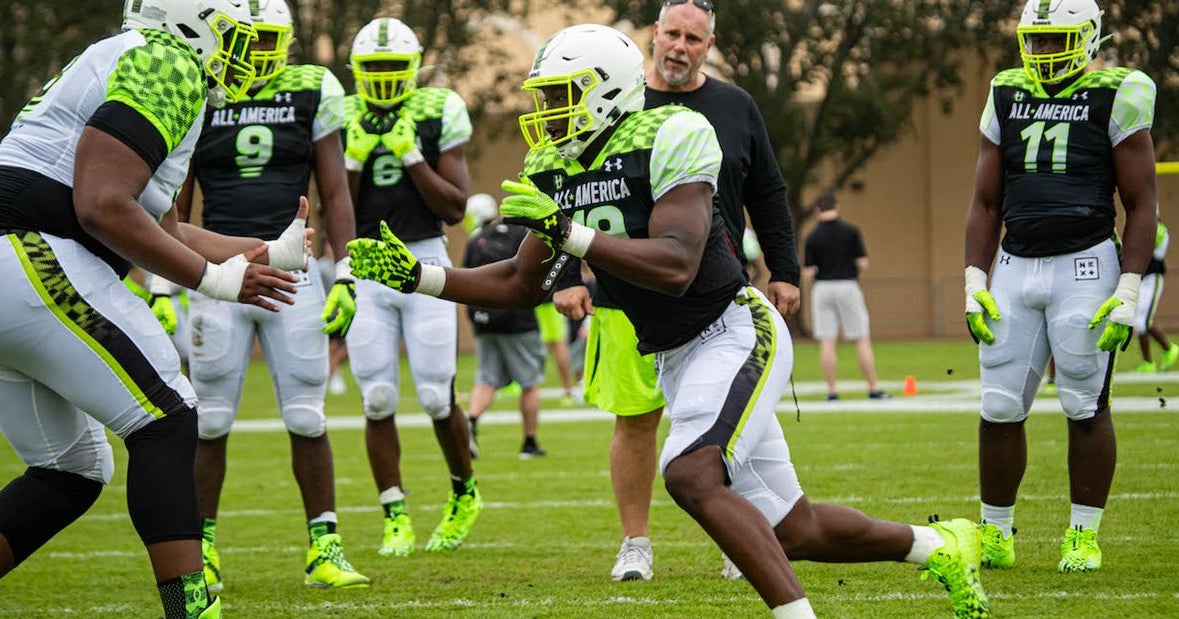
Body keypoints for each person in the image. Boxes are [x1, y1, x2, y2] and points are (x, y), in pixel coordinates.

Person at [347, 23, 990, 619]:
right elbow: (519, 282)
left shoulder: (671, 132)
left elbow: (678, 262)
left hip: (734, 328)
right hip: (675, 352)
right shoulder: (559, 168)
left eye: (561, 95)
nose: (547, 112)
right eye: (544, 97)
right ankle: (940, 546)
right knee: (795, 530)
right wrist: (419, 277)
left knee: (688, 473)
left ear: (605, 92)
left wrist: (569, 234)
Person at [0, 0, 311, 616]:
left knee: (72, 468)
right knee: (167, 414)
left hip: (16, 265)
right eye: (236, 35)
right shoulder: (168, 63)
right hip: (31, 252)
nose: (247, 53)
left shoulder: (138, 63)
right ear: (192, 22)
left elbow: (165, 229)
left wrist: (270, 249)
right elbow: (101, 205)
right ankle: (192, 611)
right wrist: (216, 284)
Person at [552, 0, 803, 582]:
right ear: (652, 36)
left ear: (708, 45)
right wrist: (566, 278)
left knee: (731, 420)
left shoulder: (734, 105)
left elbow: (767, 191)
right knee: (635, 418)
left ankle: (735, 533)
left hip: (710, 293)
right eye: (672, 33)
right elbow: (571, 193)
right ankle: (635, 542)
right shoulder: (618, 104)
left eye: (694, 37)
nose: (680, 47)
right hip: (624, 297)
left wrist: (784, 268)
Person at [174, 0, 368, 589]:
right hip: (216, 274)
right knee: (210, 421)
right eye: (250, 41)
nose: (258, 54)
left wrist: (348, 272)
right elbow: (174, 198)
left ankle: (325, 548)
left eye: (268, 42)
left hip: (293, 271)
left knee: (308, 414)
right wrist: (164, 282)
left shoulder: (312, 86)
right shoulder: (200, 84)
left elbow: (335, 192)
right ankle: (200, 551)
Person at [964, 0, 1157, 574]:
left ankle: (1083, 534)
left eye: (1059, 40)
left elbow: (1143, 204)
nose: (1046, 51)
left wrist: (1128, 290)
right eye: (1038, 40)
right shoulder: (1004, 89)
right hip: (1015, 264)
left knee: (1082, 401)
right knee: (999, 406)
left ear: (1090, 36)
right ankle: (996, 533)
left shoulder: (1120, 90)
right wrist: (974, 277)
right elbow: (985, 200)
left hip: (1086, 264)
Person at [341, 16, 481, 557]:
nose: (382, 79)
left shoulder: (437, 108)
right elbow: (336, 209)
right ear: (357, 71)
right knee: (376, 397)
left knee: (433, 392)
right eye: (373, 68)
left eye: (392, 68)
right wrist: (353, 159)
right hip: (365, 263)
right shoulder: (344, 112)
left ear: (412, 69)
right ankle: (394, 512)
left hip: (423, 256)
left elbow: (453, 207)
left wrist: (410, 155)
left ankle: (464, 492)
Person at [462, 195, 548, 459]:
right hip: (519, 319)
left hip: (485, 321)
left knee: (487, 380)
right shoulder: (519, 235)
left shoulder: (475, 242)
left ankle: (471, 421)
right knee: (529, 384)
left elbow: (465, 281)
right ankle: (529, 442)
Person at [803, 191, 889, 401]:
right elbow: (862, 262)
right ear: (837, 206)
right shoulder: (851, 232)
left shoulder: (812, 237)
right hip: (847, 285)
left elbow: (808, 272)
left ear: (817, 210)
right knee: (861, 337)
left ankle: (832, 391)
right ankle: (873, 387)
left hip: (822, 288)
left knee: (827, 340)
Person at [1133, 220, 1178, 371]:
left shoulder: (1158, 228)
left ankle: (1169, 348)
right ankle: (1148, 362)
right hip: (1143, 278)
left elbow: (1145, 246)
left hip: (1152, 278)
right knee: (1139, 321)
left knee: (1142, 323)